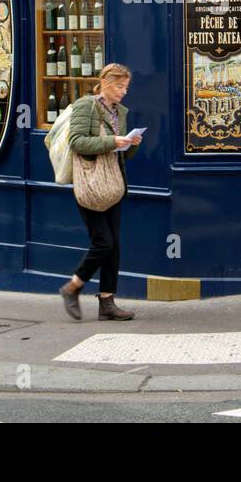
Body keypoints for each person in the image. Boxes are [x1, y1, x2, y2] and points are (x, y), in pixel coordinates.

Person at [59, 63, 142, 321]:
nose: (123, 92)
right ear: (105, 82)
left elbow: (122, 154)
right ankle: (72, 286)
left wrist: (131, 144)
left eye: (126, 87)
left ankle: (107, 301)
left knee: (114, 245)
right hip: (91, 185)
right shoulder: (86, 105)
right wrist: (112, 142)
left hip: (112, 183)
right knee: (103, 242)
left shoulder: (119, 111)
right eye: (119, 86)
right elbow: (77, 142)